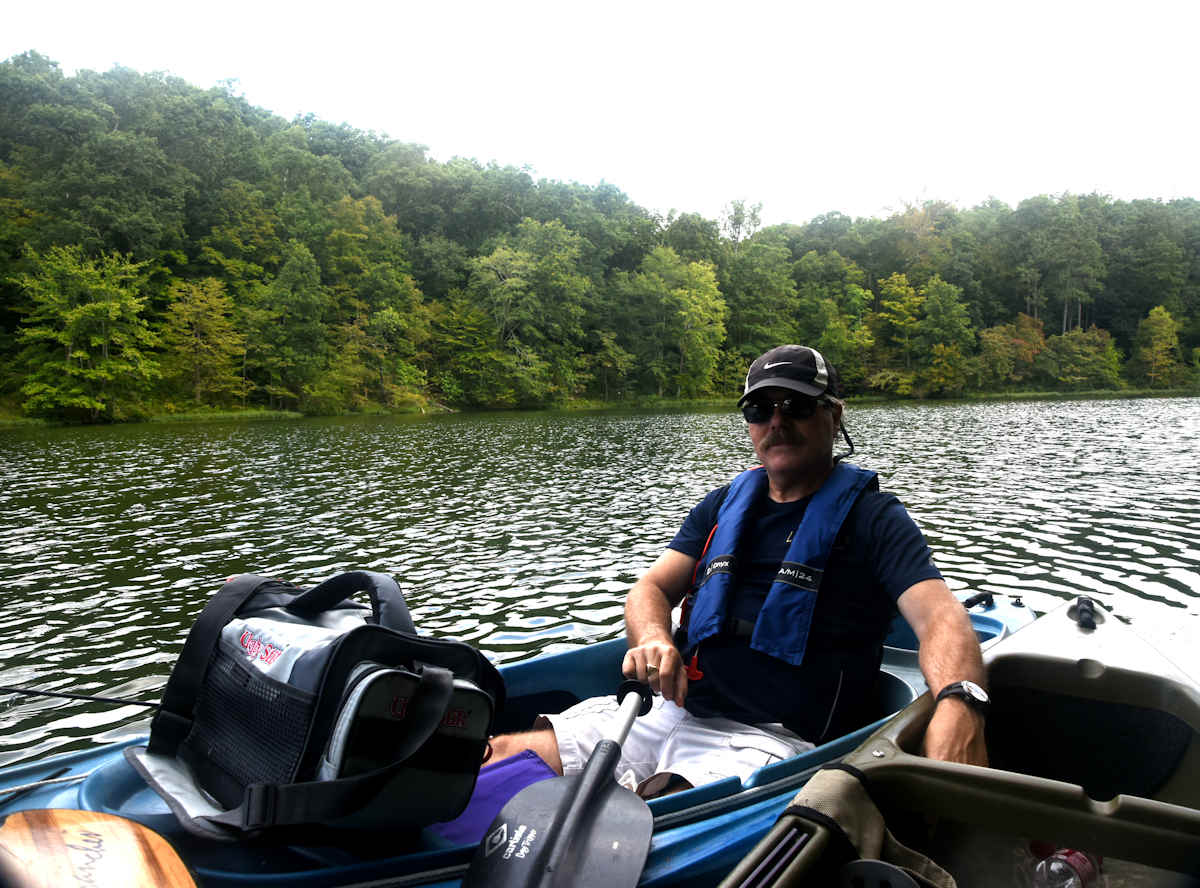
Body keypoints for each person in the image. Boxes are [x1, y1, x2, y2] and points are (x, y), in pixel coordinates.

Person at [489, 345, 988, 795]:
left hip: (763, 739)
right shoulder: (722, 505)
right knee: (499, 758)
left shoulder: (875, 519)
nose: (776, 421)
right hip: (661, 711)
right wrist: (652, 639)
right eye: (759, 409)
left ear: (834, 416)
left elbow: (940, 619)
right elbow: (651, 588)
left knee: (650, 811)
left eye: (795, 406)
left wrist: (959, 700)